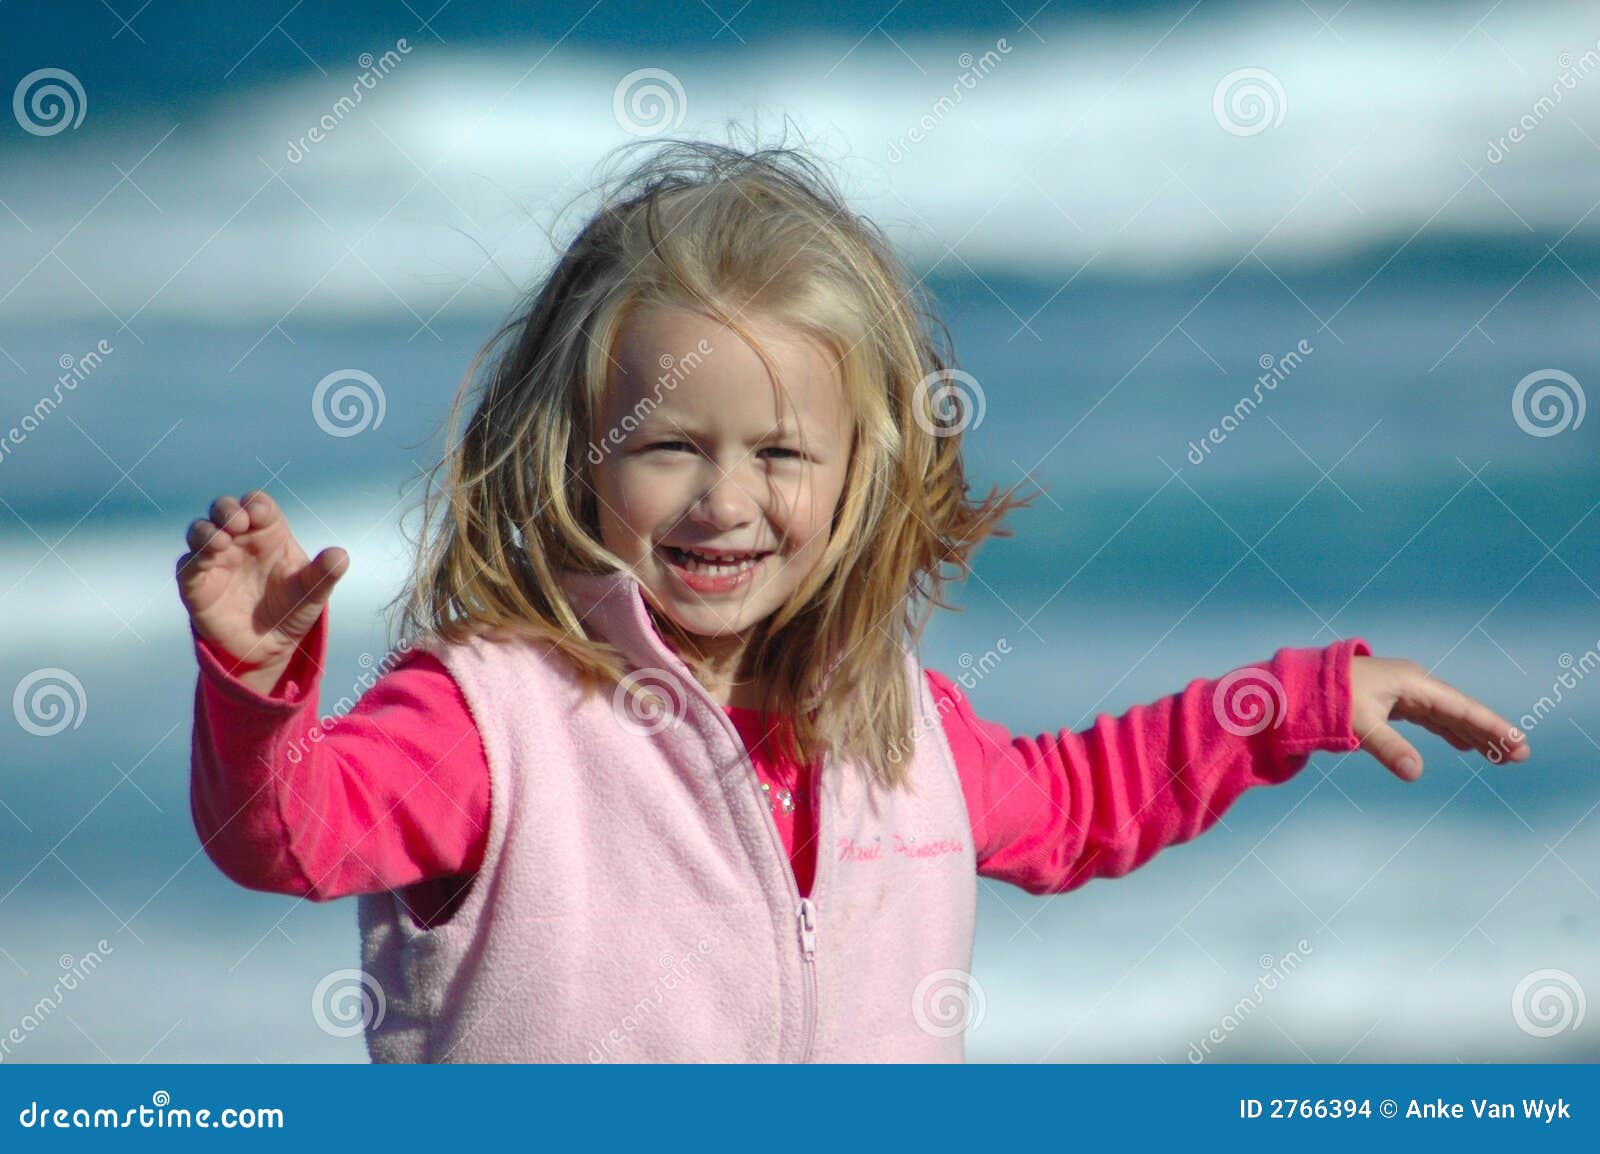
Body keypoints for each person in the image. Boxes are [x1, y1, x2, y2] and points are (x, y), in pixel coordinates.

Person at [178, 138, 1530, 1063]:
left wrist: (1299, 699)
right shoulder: (493, 717)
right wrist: (255, 688)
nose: (725, 501)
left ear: (863, 472)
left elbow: (1081, 803)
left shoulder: (900, 729)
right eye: (668, 446)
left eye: (779, 453)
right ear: (574, 450)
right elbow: (289, 832)